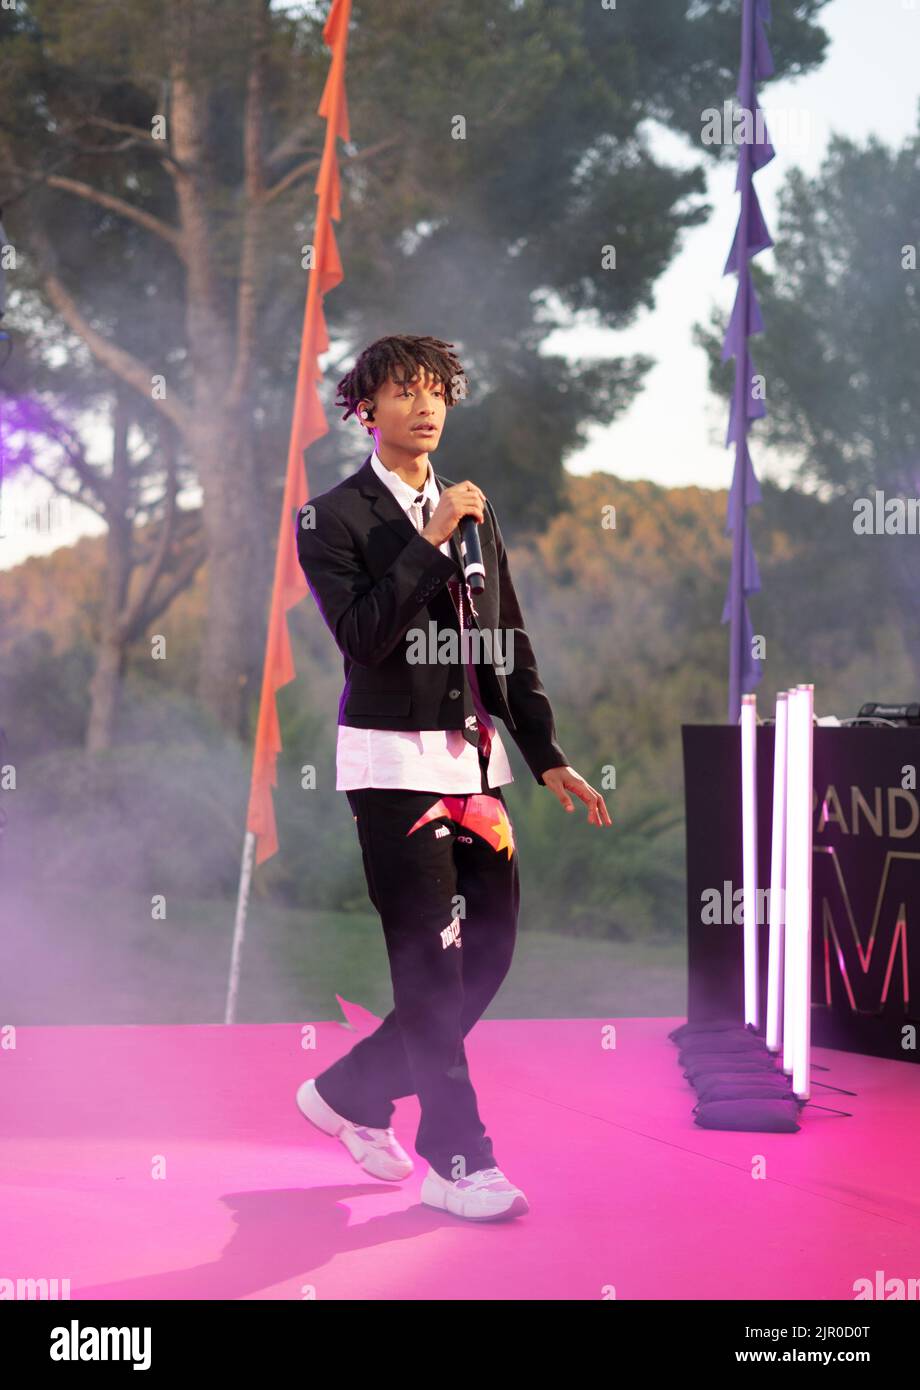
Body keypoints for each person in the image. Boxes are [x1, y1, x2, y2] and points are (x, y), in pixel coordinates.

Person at [294, 333, 611, 1221]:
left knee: (491, 954)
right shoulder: (331, 517)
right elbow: (361, 638)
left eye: (436, 391)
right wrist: (428, 541)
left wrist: (544, 752)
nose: (425, 407)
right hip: (392, 766)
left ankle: (352, 1091)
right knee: (431, 974)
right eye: (402, 392)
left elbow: (505, 636)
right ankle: (458, 1160)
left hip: (475, 765)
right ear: (365, 409)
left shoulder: (475, 507)